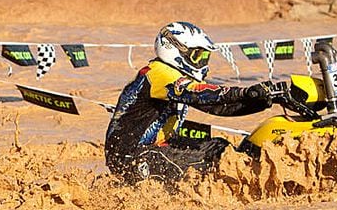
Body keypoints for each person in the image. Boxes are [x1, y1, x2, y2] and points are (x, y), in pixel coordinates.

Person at [104, 22, 279, 182]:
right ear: (173, 49)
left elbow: (217, 107)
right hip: (131, 156)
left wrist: (265, 100)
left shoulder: (175, 76)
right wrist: (245, 92)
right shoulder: (159, 73)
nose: (203, 63)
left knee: (220, 148)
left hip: (153, 147)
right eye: (197, 56)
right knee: (210, 163)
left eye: (205, 57)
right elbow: (202, 94)